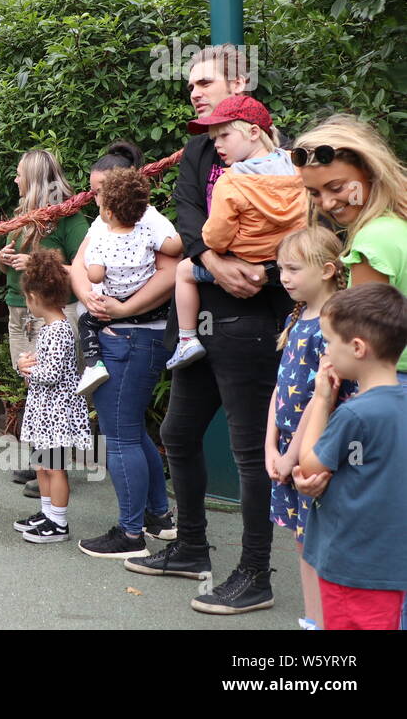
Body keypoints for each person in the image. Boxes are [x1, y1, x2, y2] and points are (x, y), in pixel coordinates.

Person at [125, 45, 293, 617]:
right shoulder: (199, 149)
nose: (194, 91)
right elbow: (189, 215)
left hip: (254, 316)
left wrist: (263, 273)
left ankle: (255, 574)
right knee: (179, 431)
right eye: (190, 84)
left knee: (250, 451)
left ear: (240, 82)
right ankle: (192, 548)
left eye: (204, 82)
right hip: (200, 314)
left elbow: (305, 229)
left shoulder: (282, 156)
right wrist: (214, 261)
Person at [71, 147, 181, 558]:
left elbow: (173, 264)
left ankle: (130, 533)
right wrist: (91, 298)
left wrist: (117, 308)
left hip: (131, 337)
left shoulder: (143, 225)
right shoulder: (108, 223)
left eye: (100, 190)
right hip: (122, 333)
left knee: (118, 438)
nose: (94, 198)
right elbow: (80, 266)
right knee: (132, 431)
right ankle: (157, 517)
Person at [298, 284, 407, 630]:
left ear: (358, 348)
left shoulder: (355, 414)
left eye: (330, 342)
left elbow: (311, 464)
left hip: (353, 564)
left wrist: (320, 401)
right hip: (390, 564)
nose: (326, 351)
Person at [167, 96, 305, 369]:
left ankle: (186, 340)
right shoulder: (295, 168)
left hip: (240, 263)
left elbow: (216, 236)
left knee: (183, 271)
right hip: (284, 265)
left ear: (254, 132)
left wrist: (215, 249)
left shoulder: (231, 180)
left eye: (224, 136)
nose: (216, 144)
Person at [265, 226, 349, 630]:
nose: (284, 276)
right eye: (281, 268)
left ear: (328, 270)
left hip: (312, 452)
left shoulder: (333, 328)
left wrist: (289, 455)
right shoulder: (295, 317)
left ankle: (324, 621)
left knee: (318, 541)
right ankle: (312, 618)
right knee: (302, 539)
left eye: (294, 268)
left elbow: (322, 400)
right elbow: (279, 389)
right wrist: (270, 448)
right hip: (286, 452)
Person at [0, 150, 88, 491]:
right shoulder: (23, 216)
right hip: (19, 310)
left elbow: (86, 271)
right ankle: (41, 466)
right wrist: (2, 258)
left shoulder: (71, 220)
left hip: (55, 316)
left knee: (56, 393)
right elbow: (7, 264)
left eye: (20, 175)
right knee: (33, 386)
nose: (15, 180)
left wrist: (34, 263)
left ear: (34, 180)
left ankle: (55, 471)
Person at [292, 115, 407, 380]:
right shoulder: (396, 224)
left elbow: (363, 342)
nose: (328, 203)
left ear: (368, 171)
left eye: (336, 187)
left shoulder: (372, 241)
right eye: (315, 193)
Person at [76, 167, 183, 397]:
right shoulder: (147, 232)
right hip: (150, 309)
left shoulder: (101, 239)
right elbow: (174, 247)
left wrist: (94, 267)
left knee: (86, 322)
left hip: (113, 307)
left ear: (110, 213)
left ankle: (94, 365)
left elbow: (94, 276)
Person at [12, 250, 90, 544]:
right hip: (45, 410)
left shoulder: (58, 330)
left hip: (57, 412)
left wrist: (26, 369)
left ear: (33, 297)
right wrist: (30, 364)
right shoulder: (49, 329)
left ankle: (58, 522)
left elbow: (52, 374)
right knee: (41, 464)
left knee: (54, 467)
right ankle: (47, 514)